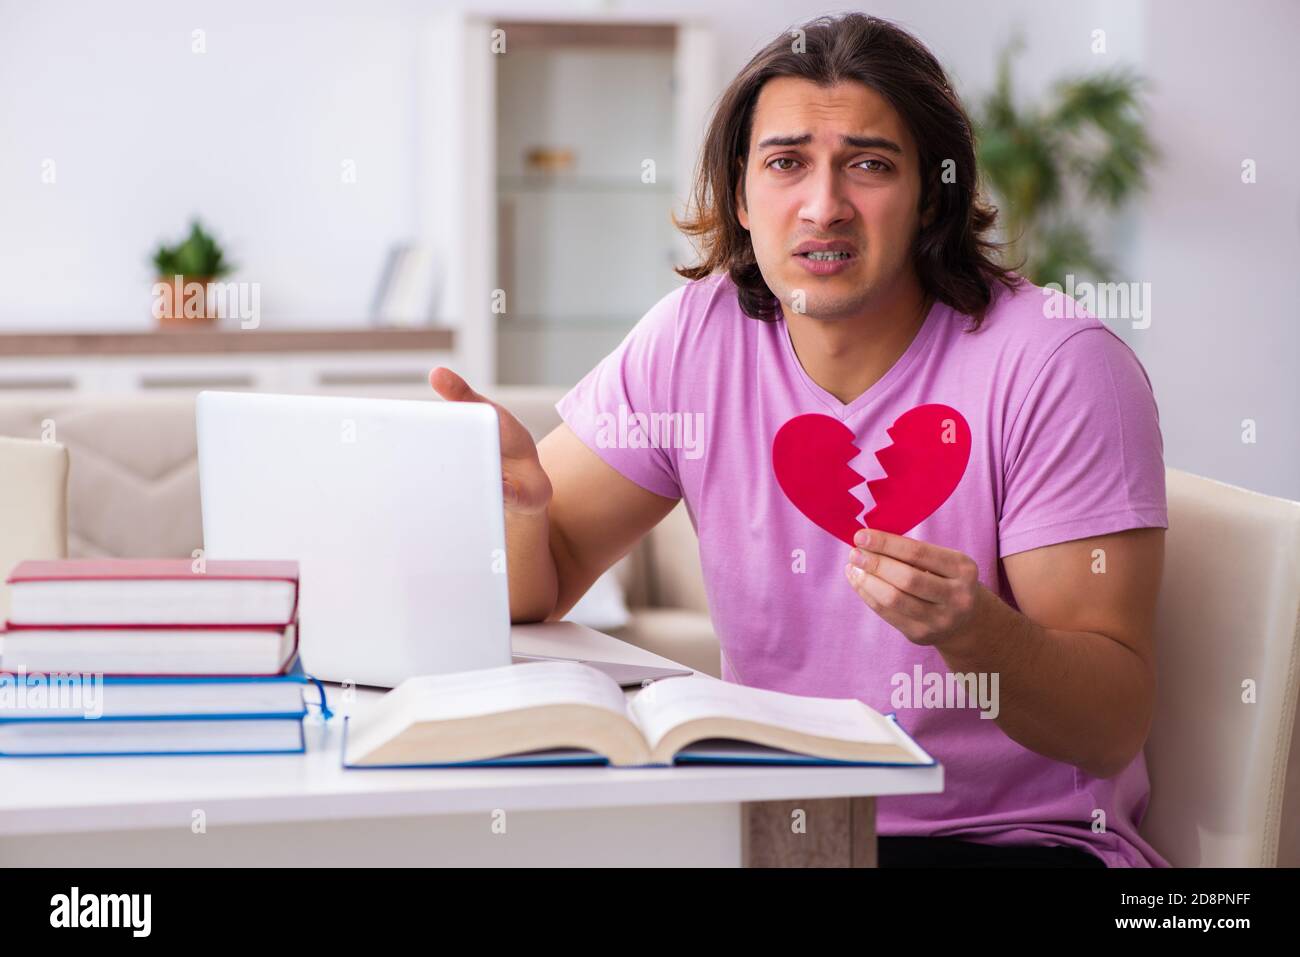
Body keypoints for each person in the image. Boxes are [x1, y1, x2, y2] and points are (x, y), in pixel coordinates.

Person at [431, 13, 1167, 868]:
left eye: (869, 164)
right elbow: (544, 577)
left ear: (931, 193)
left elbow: (1110, 724)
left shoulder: (1056, 365)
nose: (824, 205)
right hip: (782, 829)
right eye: (786, 163)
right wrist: (520, 510)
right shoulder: (696, 339)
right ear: (741, 196)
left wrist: (976, 634)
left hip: (1006, 838)